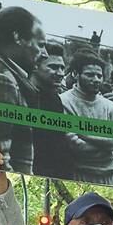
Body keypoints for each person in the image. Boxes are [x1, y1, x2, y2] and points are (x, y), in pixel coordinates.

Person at [0, 4, 46, 174]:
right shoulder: (2, 79)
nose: (45, 53)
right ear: (18, 37)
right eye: (41, 44)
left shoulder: (10, 74)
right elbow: (1, 160)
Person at [59, 49, 113, 186]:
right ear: (75, 74)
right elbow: (76, 146)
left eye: (99, 76)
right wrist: (109, 143)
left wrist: (86, 135)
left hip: (110, 176)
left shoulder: (109, 105)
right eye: (90, 75)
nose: (96, 80)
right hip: (79, 175)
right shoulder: (63, 101)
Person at [27, 43, 72, 180]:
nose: (60, 73)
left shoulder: (55, 99)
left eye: (62, 68)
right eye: (53, 67)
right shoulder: (21, 96)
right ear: (35, 66)